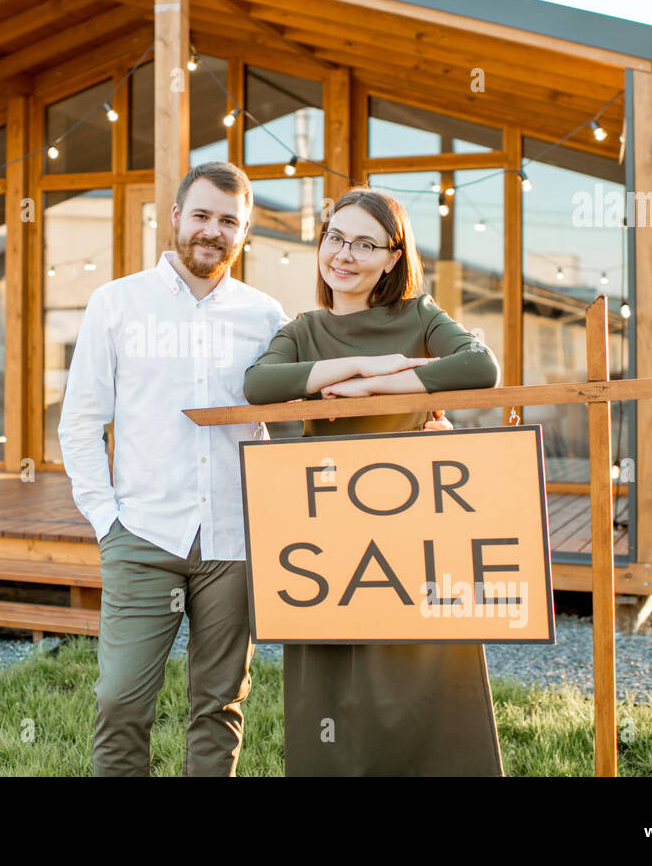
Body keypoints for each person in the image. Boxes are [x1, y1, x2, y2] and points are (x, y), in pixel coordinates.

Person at [242, 186, 505, 776]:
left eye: (365, 243)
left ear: (392, 257)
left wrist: (370, 389)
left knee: (425, 669)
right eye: (335, 238)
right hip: (327, 534)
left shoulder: (419, 316)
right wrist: (363, 364)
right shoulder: (303, 330)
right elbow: (259, 386)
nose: (345, 254)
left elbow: (480, 367)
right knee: (333, 681)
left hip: (412, 528)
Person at [58, 161, 289, 776]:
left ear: (243, 234)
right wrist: (108, 523)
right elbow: (81, 423)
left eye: (228, 221)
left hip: (235, 539)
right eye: (203, 215)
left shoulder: (267, 317)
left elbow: (294, 417)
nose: (213, 230)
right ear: (176, 217)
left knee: (219, 703)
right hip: (143, 534)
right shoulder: (117, 303)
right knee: (121, 699)